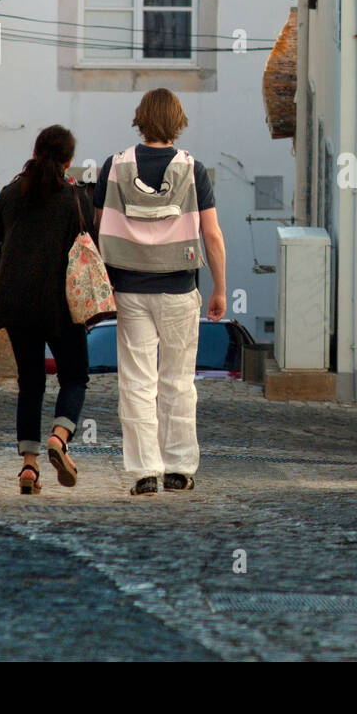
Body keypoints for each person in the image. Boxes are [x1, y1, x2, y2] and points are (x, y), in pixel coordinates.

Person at [94, 89, 226, 496]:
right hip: (179, 287)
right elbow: (212, 235)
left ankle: (144, 472)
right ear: (177, 122)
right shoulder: (194, 170)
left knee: (136, 382)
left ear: (141, 119)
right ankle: (180, 468)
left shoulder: (114, 167)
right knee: (178, 381)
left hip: (129, 289)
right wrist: (220, 288)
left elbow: (98, 225)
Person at [0, 125, 97, 495]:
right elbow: (91, 247)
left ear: (36, 151)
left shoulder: (10, 193)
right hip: (60, 304)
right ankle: (59, 437)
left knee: (31, 381)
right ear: (69, 160)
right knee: (74, 376)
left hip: (14, 303)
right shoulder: (75, 198)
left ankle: (29, 468)